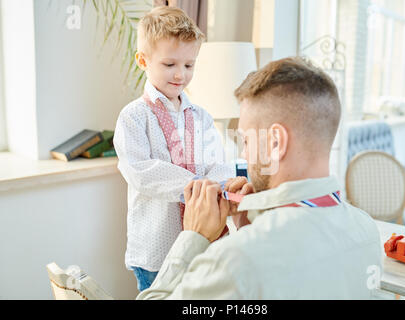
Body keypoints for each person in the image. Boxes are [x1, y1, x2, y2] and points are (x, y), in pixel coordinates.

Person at [136, 56, 382, 300]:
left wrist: (193, 237)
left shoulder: (235, 260)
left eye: (246, 140)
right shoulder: (367, 230)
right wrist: (251, 227)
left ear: (276, 142)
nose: (244, 153)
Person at [113, 6, 235, 292]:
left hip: (201, 248)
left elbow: (219, 162)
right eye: (170, 65)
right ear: (143, 60)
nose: (180, 74)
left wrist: (217, 184)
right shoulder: (134, 117)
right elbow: (141, 172)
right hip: (156, 251)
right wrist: (198, 188)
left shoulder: (201, 116)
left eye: (189, 65)